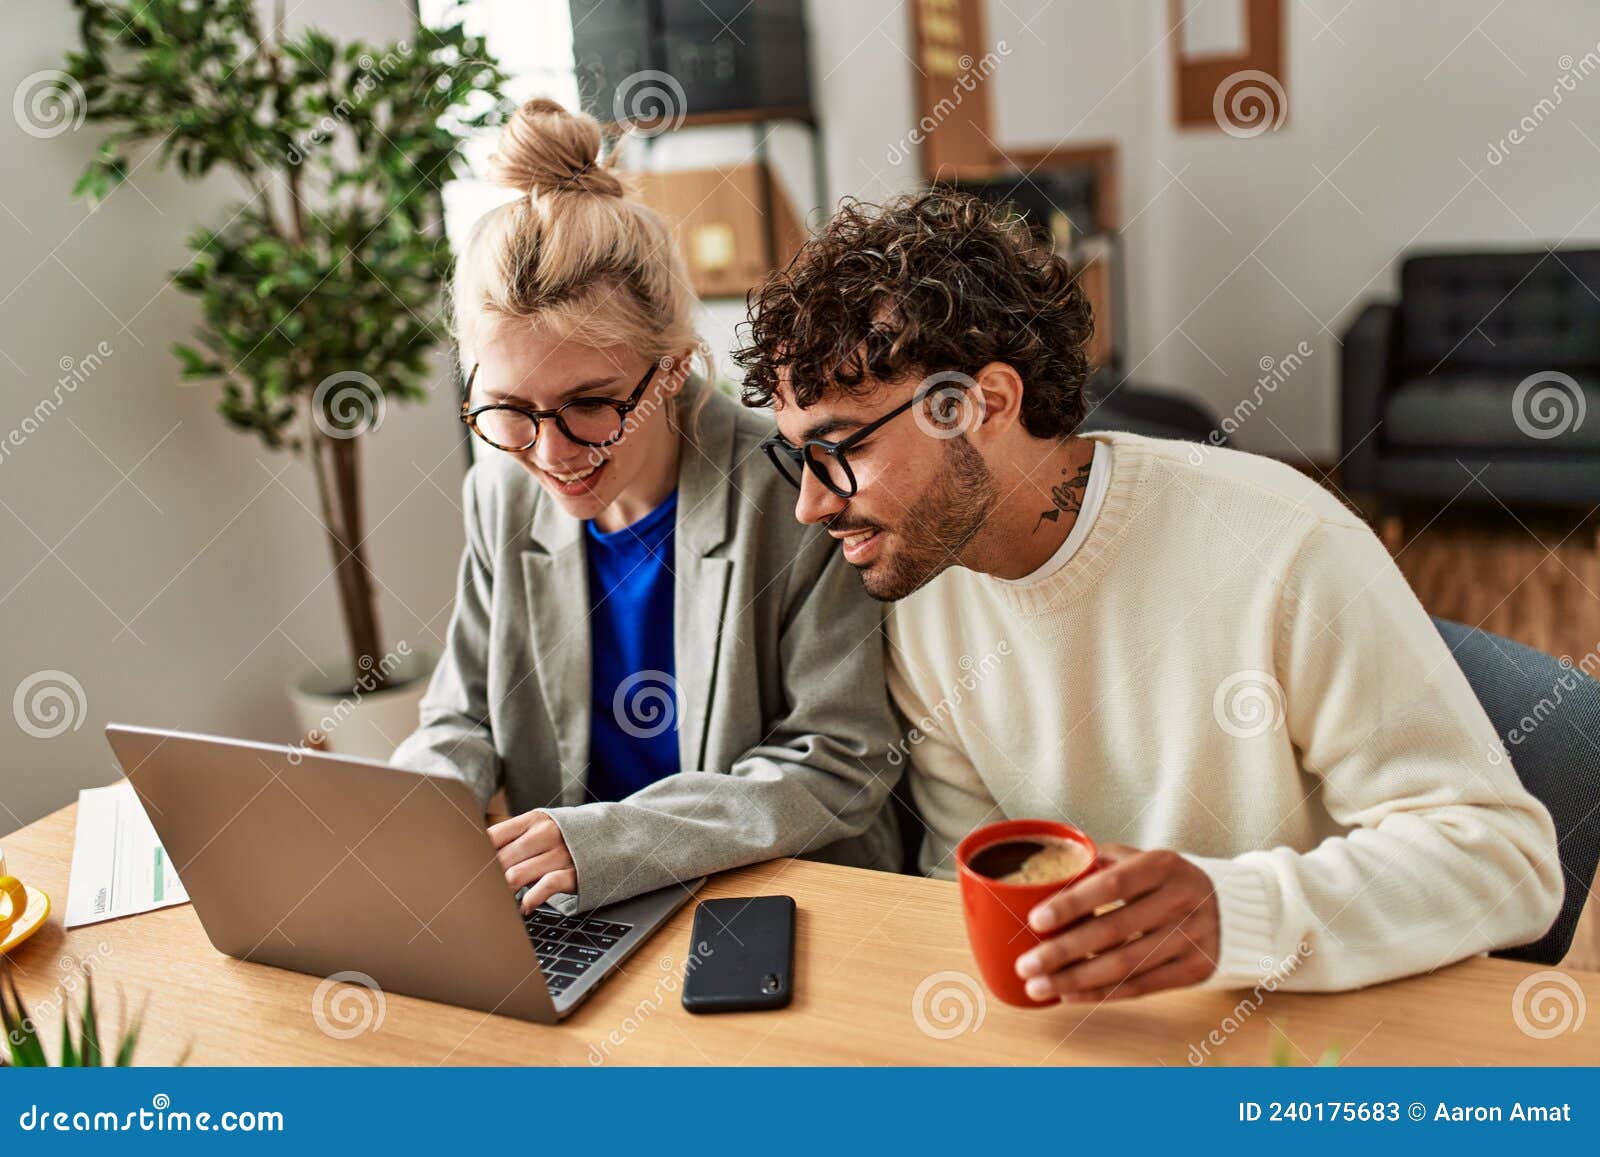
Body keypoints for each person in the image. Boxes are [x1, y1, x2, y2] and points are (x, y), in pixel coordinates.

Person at [734, 188, 1562, 997]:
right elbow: (978, 881)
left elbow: (1504, 859)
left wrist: (1237, 915)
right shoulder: (918, 595)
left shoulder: (1285, 545)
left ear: (983, 403)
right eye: (796, 457)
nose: (811, 504)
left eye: (838, 450)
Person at [390, 99, 900, 916]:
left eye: (590, 404)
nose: (550, 453)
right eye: (508, 407)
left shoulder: (791, 488)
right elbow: (462, 716)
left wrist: (611, 844)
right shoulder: (501, 488)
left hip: (764, 905)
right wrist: (405, 817)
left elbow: (841, 762)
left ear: (671, 369)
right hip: (581, 908)